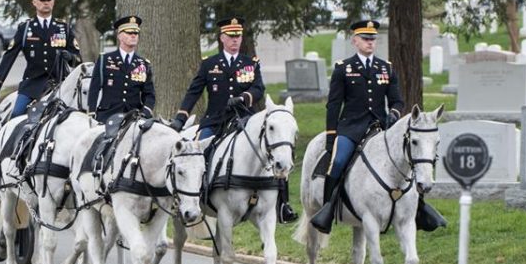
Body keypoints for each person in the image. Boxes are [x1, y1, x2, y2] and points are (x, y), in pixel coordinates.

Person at [311, 19, 446, 234]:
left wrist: (393, 113)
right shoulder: (343, 69)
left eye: (373, 39)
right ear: (355, 41)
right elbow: (333, 105)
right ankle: (327, 210)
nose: (370, 43)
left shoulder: (386, 68)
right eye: (365, 39)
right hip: (351, 128)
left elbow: (397, 100)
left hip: (379, 129)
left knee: (409, 162)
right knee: (337, 162)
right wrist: (331, 136)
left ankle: (419, 209)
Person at [171, 17, 298, 223]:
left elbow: (259, 89)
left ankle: (283, 204)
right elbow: (193, 92)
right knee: (199, 153)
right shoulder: (209, 64)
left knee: (272, 152)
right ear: (222, 38)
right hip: (214, 121)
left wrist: (244, 98)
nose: (235, 40)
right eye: (230, 36)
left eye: (238, 36)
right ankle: (198, 198)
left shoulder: (250, 63)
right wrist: (180, 118)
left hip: (242, 120)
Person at [0, 0, 80, 116]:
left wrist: (70, 57)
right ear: (34, 2)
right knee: (16, 115)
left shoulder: (63, 27)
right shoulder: (25, 29)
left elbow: (78, 59)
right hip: (32, 85)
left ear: (53, 2)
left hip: (60, 84)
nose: (46, 3)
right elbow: (9, 57)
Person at [87, 15, 156, 122]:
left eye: (136, 33)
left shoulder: (143, 64)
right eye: (129, 33)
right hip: (107, 116)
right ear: (119, 36)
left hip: (134, 118)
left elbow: (149, 94)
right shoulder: (105, 60)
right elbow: (94, 89)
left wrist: (145, 113)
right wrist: (91, 112)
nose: (133, 36)